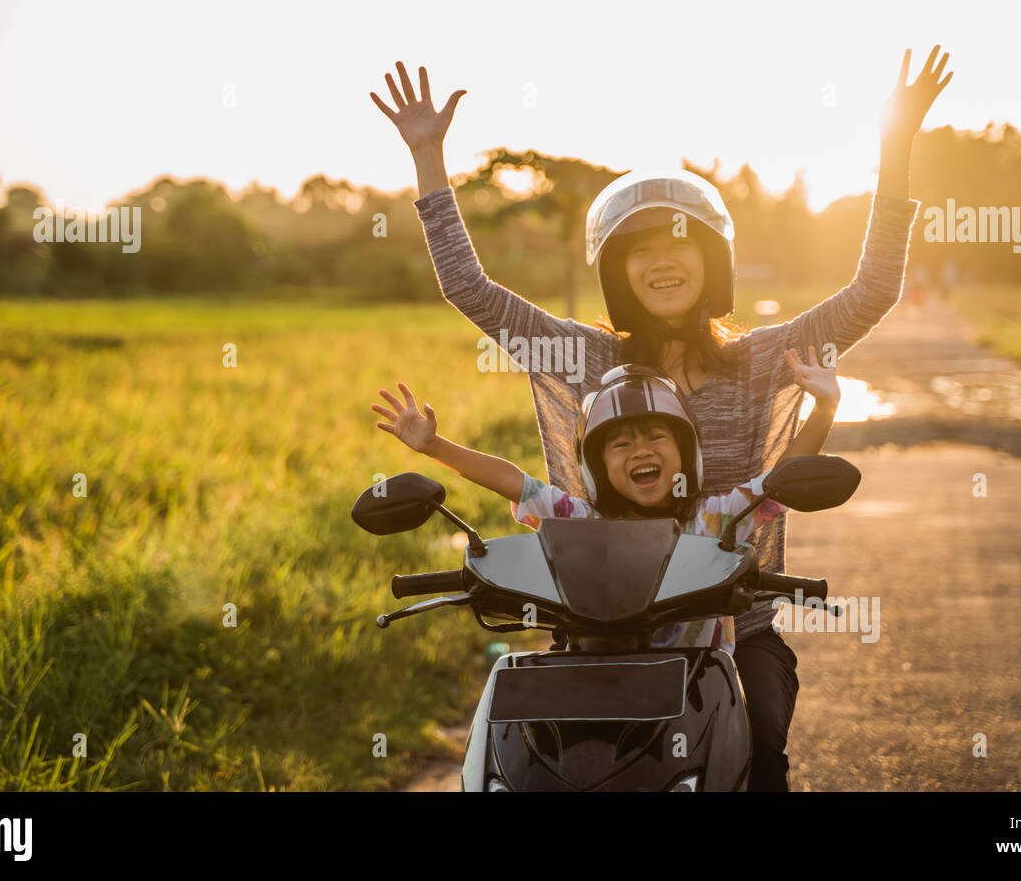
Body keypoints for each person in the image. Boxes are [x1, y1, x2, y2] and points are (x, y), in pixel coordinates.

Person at [370, 48, 951, 788]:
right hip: (596, 632)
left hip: (731, 628)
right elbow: (470, 288)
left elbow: (871, 291)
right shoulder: (582, 357)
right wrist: (428, 157)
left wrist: (895, 146)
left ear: (712, 260)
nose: (661, 262)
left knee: (762, 738)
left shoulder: (764, 358)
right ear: (617, 271)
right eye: (638, 250)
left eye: (679, 243)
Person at [372, 355, 840, 789]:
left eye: (657, 437)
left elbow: (778, 480)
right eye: (620, 443)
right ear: (597, 464)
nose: (640, 450)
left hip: (692, 693)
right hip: (594, 690)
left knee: (760, 750)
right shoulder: (575, 520)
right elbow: (513, 480)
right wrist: (434, 445)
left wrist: (823, 407)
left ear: (684, 451)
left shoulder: (716, 520)